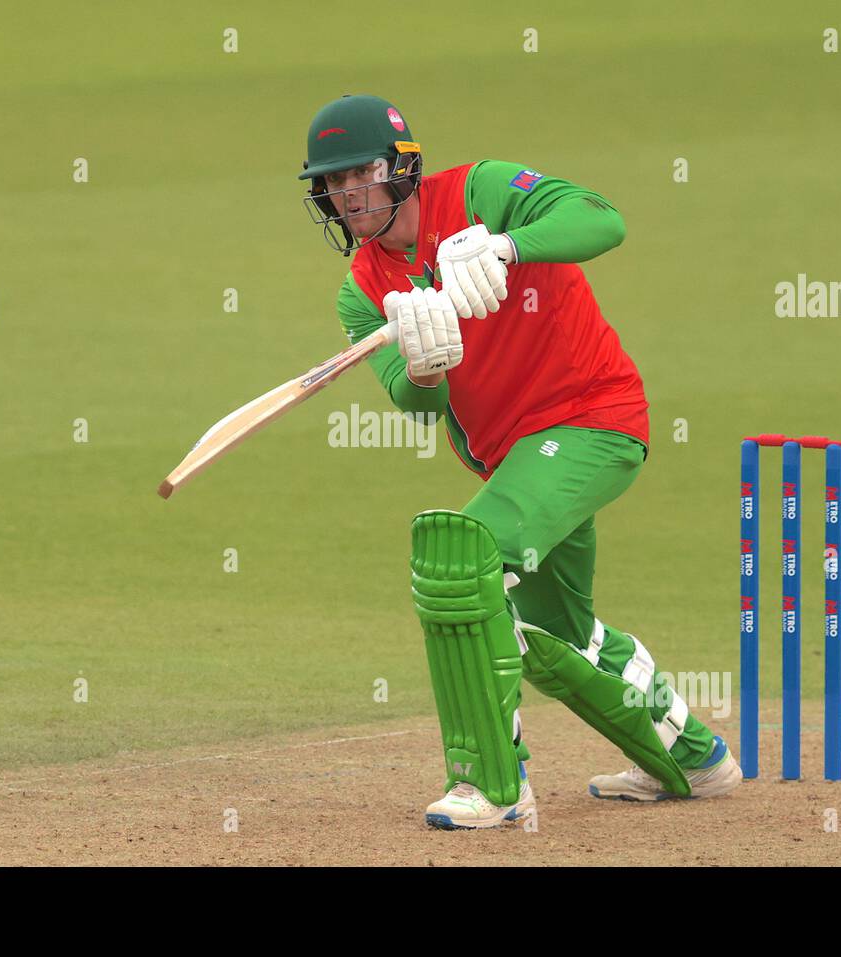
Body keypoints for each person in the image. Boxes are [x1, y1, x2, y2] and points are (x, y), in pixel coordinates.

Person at [300, 94, 741, 829]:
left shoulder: (482, 190)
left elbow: (604, 219)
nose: (349, 195)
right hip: (518, 461)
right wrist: (427, 361)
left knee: (460, 557)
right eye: (333, 183)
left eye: (363, 174)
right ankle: (695, 757)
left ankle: (493, 783)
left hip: (593, 419)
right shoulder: (364, 290)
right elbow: (413, 401)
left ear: (403, 167)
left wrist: (506, 245)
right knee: (561, 636)